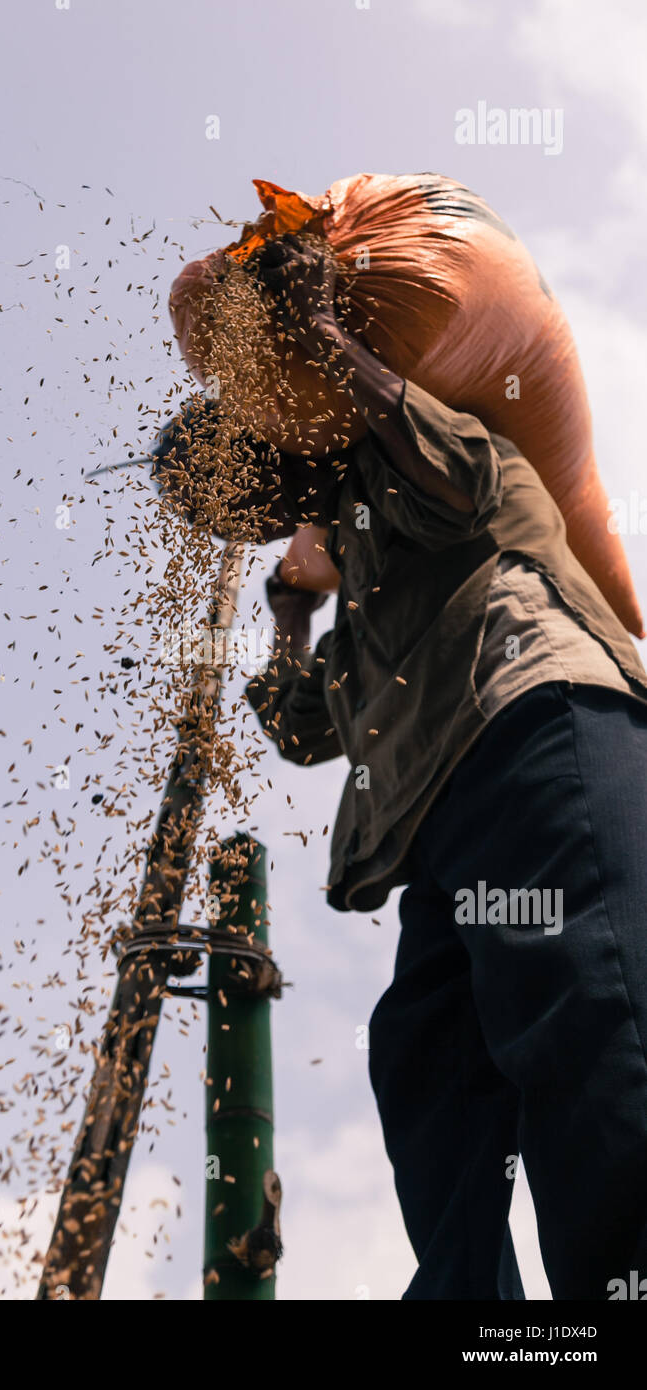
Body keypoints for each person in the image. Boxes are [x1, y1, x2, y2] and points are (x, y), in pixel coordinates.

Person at [240, 234, 647, 1301]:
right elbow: (297, 725)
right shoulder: (366, 588)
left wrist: (325, 336)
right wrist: (291, 611)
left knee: (586, 1017)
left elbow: (456, 474)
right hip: (441, 827)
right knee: (426, 1072)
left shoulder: (438, 467)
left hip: (541, 735)